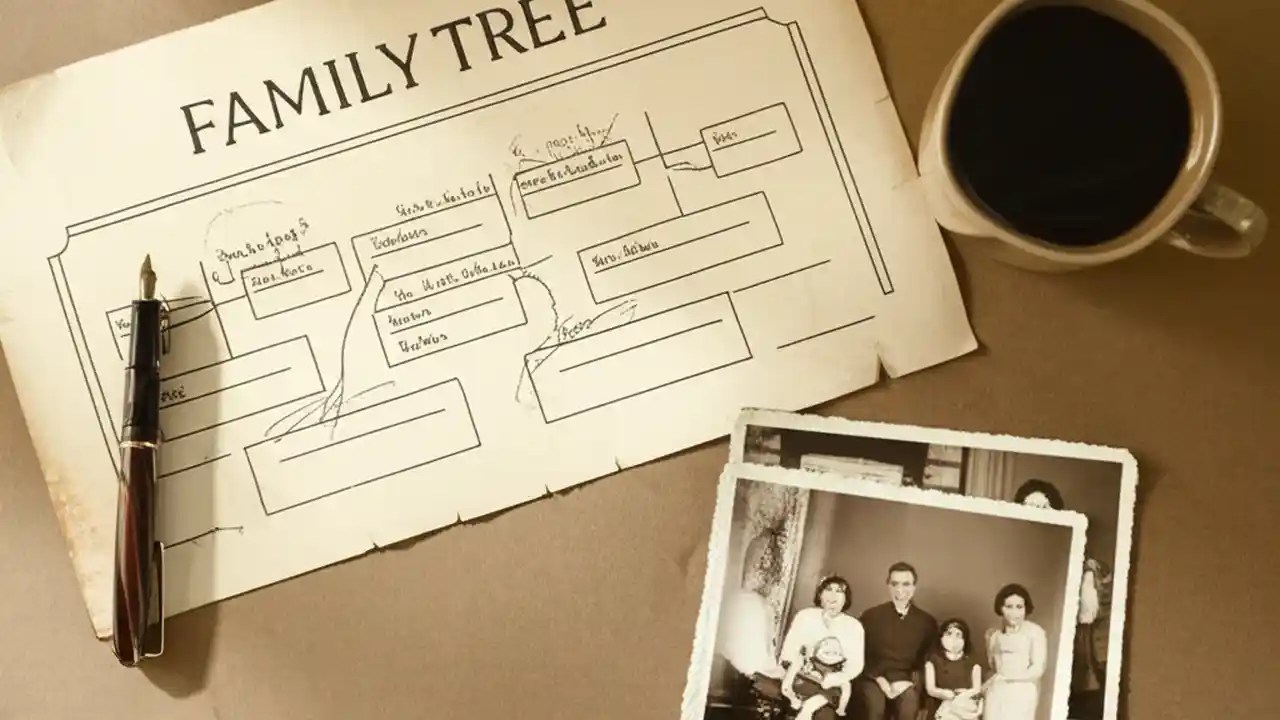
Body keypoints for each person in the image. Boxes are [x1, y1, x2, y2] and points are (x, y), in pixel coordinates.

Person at [1014, 478, 1111, 718]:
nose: (1038, 516)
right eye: (1030, 509)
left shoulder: (1083, 560)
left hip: (1071, 650)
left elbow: (1088, 614)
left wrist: (1087, 578)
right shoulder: (1014, 550)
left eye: (1044, 509)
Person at [762, 575, 865, 720]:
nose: (833, 595)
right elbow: (789, 651)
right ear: (820, 595)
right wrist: (799, 669)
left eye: (839, 591)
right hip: (801, 675)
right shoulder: (805, 616)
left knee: (824, 715)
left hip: (829, 683)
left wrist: (833, 678)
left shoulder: (854, 627)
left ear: (846, 598)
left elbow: (855, 666)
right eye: (828, 590)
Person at [857, 561, 939, 720]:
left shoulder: (927, 622)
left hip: (906, 680)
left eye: (906, 584)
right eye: (894, 584)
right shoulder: (870, 616)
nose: (900, 590)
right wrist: (880, 680)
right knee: (875, 707)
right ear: (888, 585)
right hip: (873, 677)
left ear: (914, 587)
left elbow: (928, 660)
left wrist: (910, 682)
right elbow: (859, 653)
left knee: (909, 704)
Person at [983, 584, 1047, 720]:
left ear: (1026, 608)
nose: (1014, 613)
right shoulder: (993, 636)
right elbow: (993, 666)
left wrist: (1008, 677)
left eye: (1019, 607)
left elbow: (1037, 669)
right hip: (997, 691)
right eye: (1009, 607)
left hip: (1022, 691)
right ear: (1000, 608)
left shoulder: (1035, 632)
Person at [782, 635, 853, 719]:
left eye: (834, 653)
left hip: (824, 696)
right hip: (802, 692)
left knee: (811, 706)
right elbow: (787, 684)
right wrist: (792, 697)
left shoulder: (837, 674)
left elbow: (846, 687)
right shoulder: (807, 663)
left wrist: (842, 707)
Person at [925, 618, 984, 720]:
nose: (953, 639)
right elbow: (931, 689)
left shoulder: (973, 663)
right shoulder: (932, 661)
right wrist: (945, 694)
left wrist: (963, 695)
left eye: (958, 635)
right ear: (941, 637)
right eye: (949, 634)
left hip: (965, 707)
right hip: (939, 707)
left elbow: (977, 689)